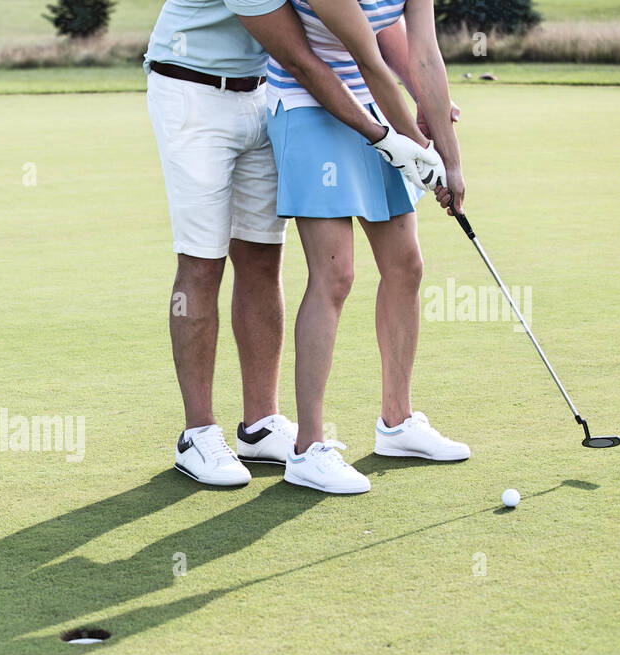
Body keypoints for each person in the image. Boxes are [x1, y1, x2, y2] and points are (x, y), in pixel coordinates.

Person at [145, 0, 443, 487]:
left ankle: (260, 425)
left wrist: (422, 102)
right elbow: (305, 59)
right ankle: (197, 432)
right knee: (202, 264)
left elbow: (375, 33)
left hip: (261, 93)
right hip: (192, 91)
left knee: (262, 257)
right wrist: (386, 135)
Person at [265, 0, 470, 494]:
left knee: (406, 264)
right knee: (335, 274)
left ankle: (397, 424)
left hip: (372, 100)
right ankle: (308, 449)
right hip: (308, 100)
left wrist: (451, 158)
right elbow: (369, 59)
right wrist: (419, 149)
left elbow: (424, 55)